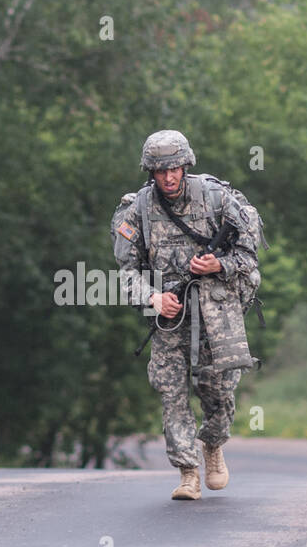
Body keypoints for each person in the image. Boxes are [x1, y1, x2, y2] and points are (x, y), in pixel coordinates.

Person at [111, 129, 261, 500]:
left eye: (174, 168)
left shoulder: (217, 199)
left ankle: (212, 444)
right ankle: (187, 471)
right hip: (170, 317)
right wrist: (153, 298)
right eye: (160, 171)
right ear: (150, 172)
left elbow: (249, 258)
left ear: (186, 165)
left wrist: (218, 265)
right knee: (171, 392)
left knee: (220, 393)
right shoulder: (139, 209)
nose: (168, 177)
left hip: (217, 311)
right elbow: (125, 273)